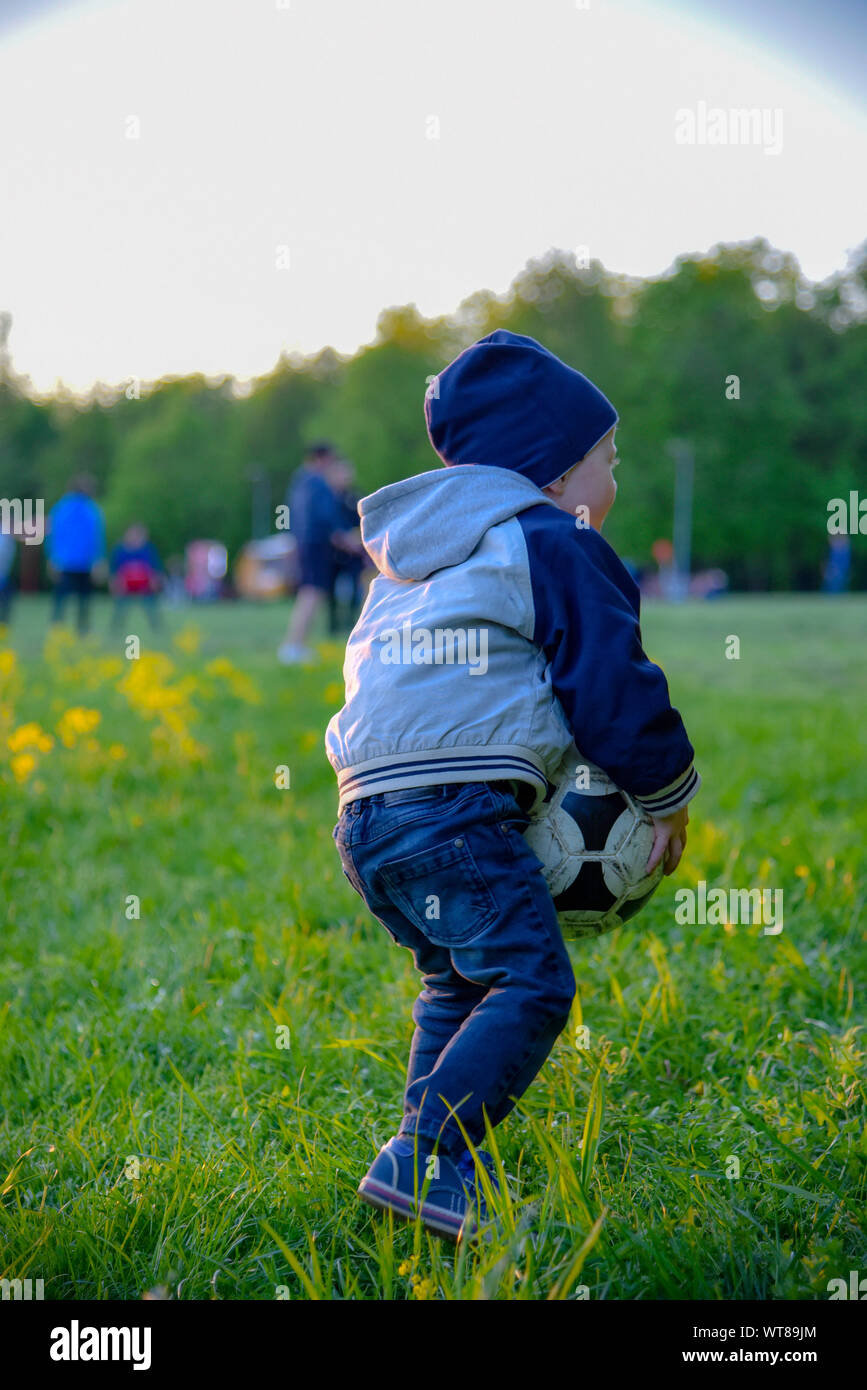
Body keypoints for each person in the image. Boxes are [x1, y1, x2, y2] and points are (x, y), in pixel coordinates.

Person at [326, 330, 700, 1243]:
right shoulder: (550, 540)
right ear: (558, 474)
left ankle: (431, 1163)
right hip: (454, 815)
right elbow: (610, 680)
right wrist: (664, 792)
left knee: (458, 983)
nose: (613, 484)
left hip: (365, 817)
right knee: (533, 984)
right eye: (607, 461)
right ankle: (424, 1153)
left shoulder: (412, 563)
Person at [277, 442, 361, 663]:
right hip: (315, 544)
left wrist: (290, 538)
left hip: (303, 542)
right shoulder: (318, 484)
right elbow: (327, 517)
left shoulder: (298, 481)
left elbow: (285, 513)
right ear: (322, 458)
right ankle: (294, 646)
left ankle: (295, 645)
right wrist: (346, 539)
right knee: (312, 593)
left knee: (308, 592)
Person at [47, 474, 105, 635]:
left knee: (69, 599)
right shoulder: (90, 510)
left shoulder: (61, 508)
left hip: (70, 561)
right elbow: (97, 538)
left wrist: (52, 558)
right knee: (77, 599)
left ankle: (64, 629)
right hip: (75, 562)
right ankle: (71, 629)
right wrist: (98, 560)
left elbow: (52, 536)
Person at [325, 457, 364, 634]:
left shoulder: (354, 497)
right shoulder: (328, 499)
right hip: (333, 552)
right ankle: (333, 625)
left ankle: (351, 622)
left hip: (354, 552)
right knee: (330, 591)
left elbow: (362, 522)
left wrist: (356, 540)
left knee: (356, 588)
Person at [109, 523, 164, 631]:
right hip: (125, 586)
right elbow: (114, 571)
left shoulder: (148, 550)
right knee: (120, 606)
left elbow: (156, 569)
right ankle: (116, 628)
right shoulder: (120, 550)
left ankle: (157, 628)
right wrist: (114, 584)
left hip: (144, 585)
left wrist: (155, 581)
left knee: (150, 606)